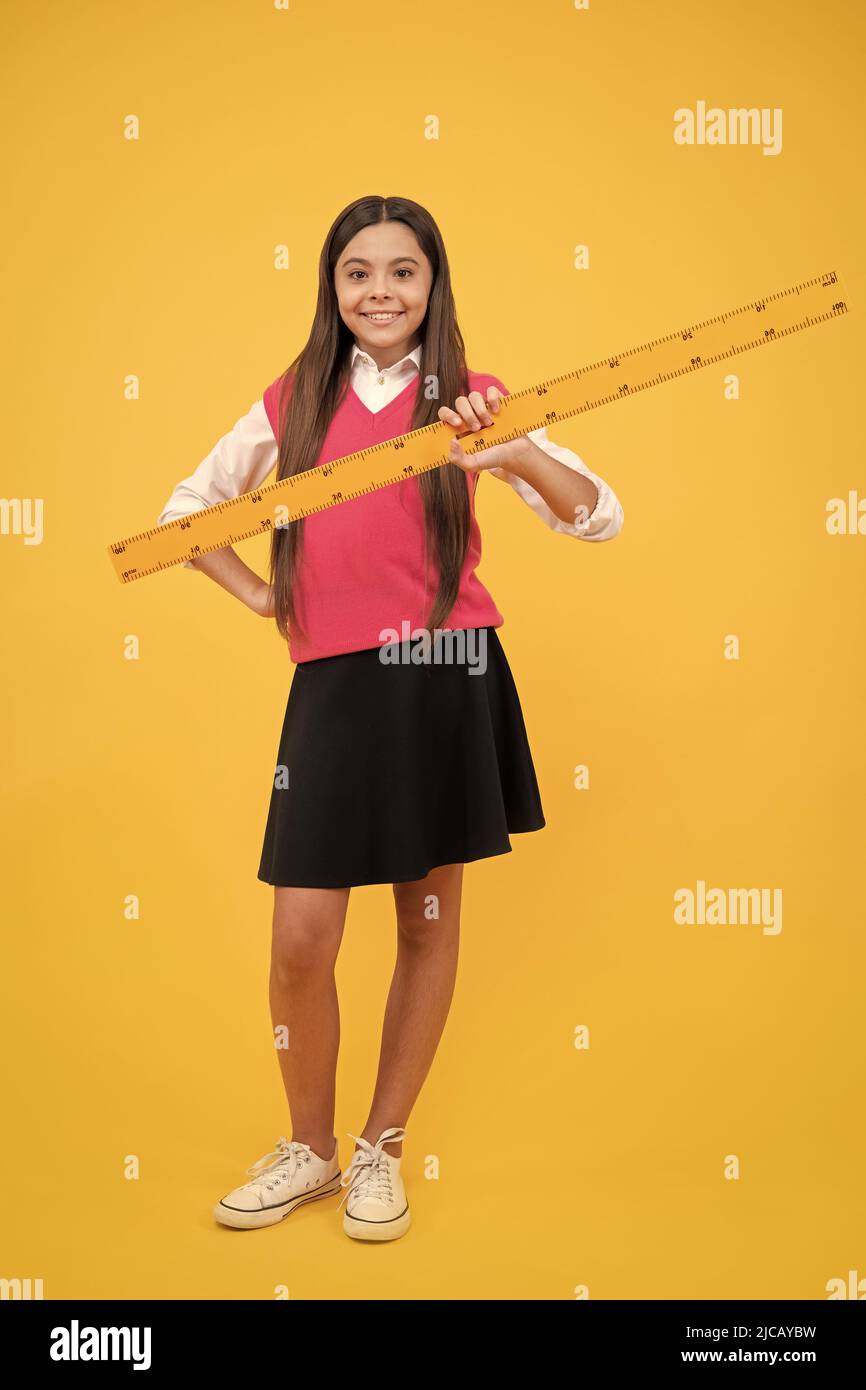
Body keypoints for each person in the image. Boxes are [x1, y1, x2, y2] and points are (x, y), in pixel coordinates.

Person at [155, 194, 624, 1243]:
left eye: (401, 272)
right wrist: (261, 595)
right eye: (357, 271)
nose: (379, 291)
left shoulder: (472, 399)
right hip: (333, 682)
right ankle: (309, 1149)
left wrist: (505, 454)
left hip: (444, 671)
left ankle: (381, 1149)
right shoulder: (292, 402)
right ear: (330, 286)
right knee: (300, 939)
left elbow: (596, 514)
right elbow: (186, 514)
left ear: (432, 284)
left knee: (422, 921)